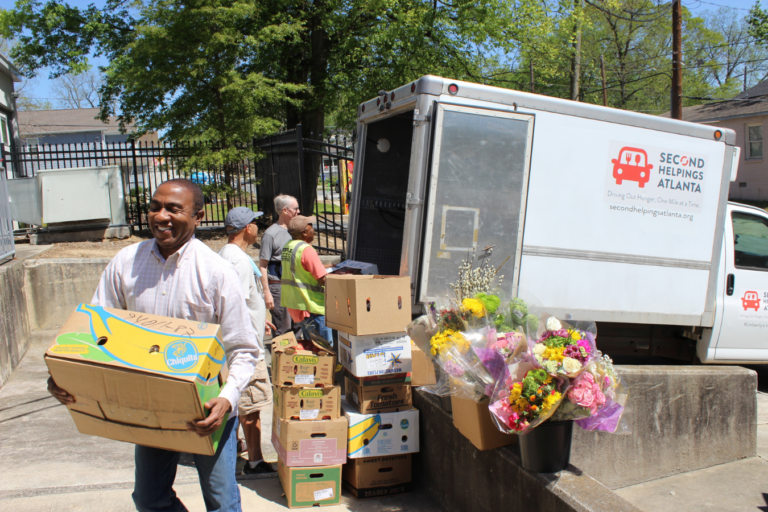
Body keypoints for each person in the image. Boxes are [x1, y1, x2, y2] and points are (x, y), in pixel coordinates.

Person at [46, 179, 260, 512]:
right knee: (148, 499)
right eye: (155, 206)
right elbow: (97, 330)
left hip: (209, 407)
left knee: (221, 501)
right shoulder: (125, 262)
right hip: (152, 403)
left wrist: (226, 400)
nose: (161, 216)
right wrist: (66, 374)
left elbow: (245, 350)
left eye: (174, 209)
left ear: (199, 216)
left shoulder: (217, 273)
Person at [218, 207, 276, 475]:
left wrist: (259, 316)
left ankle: (237, 448)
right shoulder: (238, 261)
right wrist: (251, 335)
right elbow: (236, 303)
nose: (257, 226)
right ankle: (255, 462)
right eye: (254, 222)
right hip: (246, 348)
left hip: (240, 341)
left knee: (240, 401)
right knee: (251, 404)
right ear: (246, 229)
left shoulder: (227, 254)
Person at [281, 215, 333, 341]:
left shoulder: (288, 246)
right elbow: (323, 279)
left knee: (311, 347)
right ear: (304, 232)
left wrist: (331, 266)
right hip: (314, 307)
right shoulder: (307, 250)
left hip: (299, 305)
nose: (313, 230)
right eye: (311, 226)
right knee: (324, 349)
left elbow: (302, 268)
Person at [259, 194, 300, 337]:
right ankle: (282, 358)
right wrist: (267, 292)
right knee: (284, 330)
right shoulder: (271, 234)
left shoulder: (296, 231)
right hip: (278, 286)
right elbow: (263, 265)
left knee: (298, 326)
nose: (298, 211)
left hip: (295, 286)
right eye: (296, 208)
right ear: (285, 210)